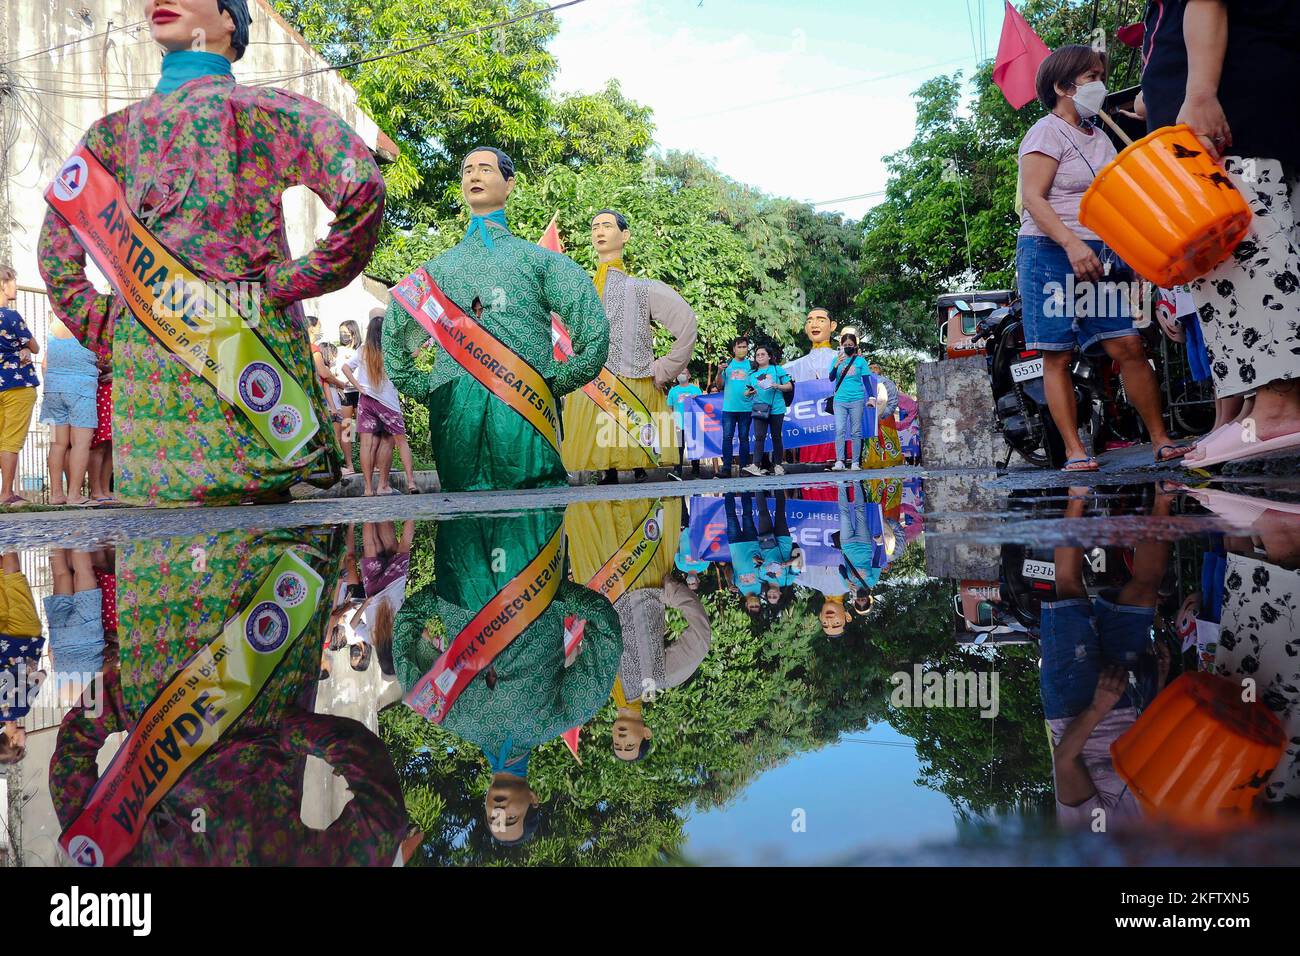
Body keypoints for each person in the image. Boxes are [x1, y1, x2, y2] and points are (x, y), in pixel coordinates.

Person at [38, 0, 384, 506]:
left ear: (230, 21)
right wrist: (281, 288)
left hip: (191, 374)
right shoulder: (116, 135)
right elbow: (57, 249)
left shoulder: (129, 132)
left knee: (185, 548)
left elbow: (362, 188)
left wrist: (117, 326)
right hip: (224, 364)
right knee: (259, 548)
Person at [390, 508, 621, 843]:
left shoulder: (450, 718)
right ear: (534, 801)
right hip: (529, 563)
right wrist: (555, 597)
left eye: (492, 818)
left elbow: (405, 640)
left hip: (463, 568)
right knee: (525, 474)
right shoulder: (563, 716)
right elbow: (607, 632)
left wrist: (443, 597)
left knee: (460, 476)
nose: (499, 811)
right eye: (510, 818)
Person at [384, 147, 608, 492]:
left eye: (486, 169)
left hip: (524, 407)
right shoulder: (436, 270)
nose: (474, 175)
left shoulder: (541, 262)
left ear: (510, 184)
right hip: (457, 412)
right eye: (468, 170)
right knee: (462, 523)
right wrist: (434, 391)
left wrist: (549, 381)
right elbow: (395, 341)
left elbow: (593, 333)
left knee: (532, 510)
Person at [1139, 0, 1300, 467]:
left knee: (1243, 253)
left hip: (1231, 122)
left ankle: (1277, 409)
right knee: (1267, 246)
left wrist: (1201, 92)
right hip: (1256, 107)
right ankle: (1255, 409)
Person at [1018, 44, 1191, 472]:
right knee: (1057, 354)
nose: (1100, 84)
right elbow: (1033, 200)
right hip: (1050, 252)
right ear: (1063, 86)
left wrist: (1128, 253)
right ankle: (1076, 452)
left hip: (1103, 254)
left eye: (1100, 75)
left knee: (1129, 344)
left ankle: (1161, 440)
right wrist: (1072, 245)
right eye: (1092, 76)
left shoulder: (1101, 136)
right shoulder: (1045, 131)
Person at [1041, 487, 1174, 825]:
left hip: (1074, 707)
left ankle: (1077, 497)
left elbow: (1065, 761)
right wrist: (1153, 690)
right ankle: (1163, 497)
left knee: (1070, 587)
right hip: (1130, 705)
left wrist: (1099, 706)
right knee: (1144, 592)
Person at [562, 210, 698, 484]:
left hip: (634, 376)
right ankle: (606, 469)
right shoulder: (585, 289)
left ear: (625, 235)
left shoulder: (640, 288)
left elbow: (686, 320)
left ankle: (638, 467)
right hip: (594, 382)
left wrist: (666, 367)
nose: (599, 231)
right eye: (595, 226)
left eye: (607, 225)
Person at [343, 311, 417, 496]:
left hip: (366, 401)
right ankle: (409, 483)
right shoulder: (392, 351)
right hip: (388, 403)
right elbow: (414, 354)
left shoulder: (362, 350)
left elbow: (345, 368)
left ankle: (368, 489)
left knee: (366, 445)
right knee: (398, 442)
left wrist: (359, 387)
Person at [40, 319, 100, 507]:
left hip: (52, 391)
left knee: (57, 444)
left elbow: (45, 363)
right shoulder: (89, 323)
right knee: (81, 443)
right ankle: (74, 495)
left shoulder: (54, 323)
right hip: (80, 389)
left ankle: (56, 495)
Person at [0, 552, 45, 764]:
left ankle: (9, 535)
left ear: (12, 742)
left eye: (22, 744)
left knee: (14, 580)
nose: (25, 740)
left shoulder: (21, 708)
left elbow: (39, 675)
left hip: (24, 638)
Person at [0, 266, 39, 507]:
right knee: (11, 440)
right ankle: (6, 493)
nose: (15, 285)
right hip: (18, 383)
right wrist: (23, 348)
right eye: (13, 281)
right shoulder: (11, 316)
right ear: (3, 284)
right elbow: (34, 347)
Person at [785, 307, 840, 466]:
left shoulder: (841, 358)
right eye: (810, 321)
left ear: (833, 325)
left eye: (820, 320)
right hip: (810, 423)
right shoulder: (795, 365)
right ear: (805, 328)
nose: (814, 324)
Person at [743, 344, 793, 476]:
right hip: (759, 407)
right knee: (759, 437)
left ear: (769, 356)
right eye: (757, 355)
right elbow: (746, 392)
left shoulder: (777, 369)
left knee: (776, 436)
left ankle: (778, 466)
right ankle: (755, 465)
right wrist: (749, 393)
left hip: (777, 407)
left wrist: (777, 386)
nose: (759, 357)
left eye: (762, 354)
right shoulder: (752, 374)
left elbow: (789, 386)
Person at [713, 336, 754, 478]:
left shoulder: (752, 365)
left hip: (746, 408)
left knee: (744, 438)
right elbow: (719, 386)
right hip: (729, 409)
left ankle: (744, 469)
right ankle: (726, 469)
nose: (742, 349)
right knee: (727, 438)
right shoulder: (727, 365)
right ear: (734, 349)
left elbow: (757, 384)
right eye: (739, 347)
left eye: (745, 347)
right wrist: (719, 371)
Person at [829, 329, 870, 471]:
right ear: (841, 345)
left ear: (855, 346)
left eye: (850, 344)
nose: (848, 346)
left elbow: (866, 380)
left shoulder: (861, 361)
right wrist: (836, 365)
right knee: (840, 429)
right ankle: (839, 461)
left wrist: (871, 397)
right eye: (845, 344)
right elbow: (831, 378)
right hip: (840, 400)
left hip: (857, 399)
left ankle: (855, 462)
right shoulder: (836, 360)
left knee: (856, 431)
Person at [757, 490, 803, 606]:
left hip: (766, 544)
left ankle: (757, 486)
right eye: (774, 596)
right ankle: (779, 483)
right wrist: (787, 564)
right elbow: (799, 561)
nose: (771, 594)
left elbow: (756, 559)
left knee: (763, 514)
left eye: (769, 596)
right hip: (783, 542)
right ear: (780, 594)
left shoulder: (762, 577)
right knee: (780, 513)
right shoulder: (788, 580)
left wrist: (757, 560)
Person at [88, 351, 115, 504]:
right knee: (99, 443)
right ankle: (96, 489)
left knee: (110, 443)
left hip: (113, 393)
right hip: (98, 392)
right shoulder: (92, 341)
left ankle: (105, 488)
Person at [335, 318, 362, 475]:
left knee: (365, 429)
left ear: (354, 332)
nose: (343, 335)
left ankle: (373, 464)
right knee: (347, 429)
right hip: (345, 393)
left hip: (360, 392)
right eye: (341, 333)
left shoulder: (362, 349)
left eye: (346, 332)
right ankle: (349, 465)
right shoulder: (338, 350)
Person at [667, 371, 703, 479]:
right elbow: (670, 408)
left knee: (694, 448)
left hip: (692, 423)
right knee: (679, 448)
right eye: (679, 372)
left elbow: (702, 405)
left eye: (684, 372)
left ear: (689, 375)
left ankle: (696, 471)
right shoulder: (673, 391)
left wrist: (698, 399)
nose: (681, 374)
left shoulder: (696, 390)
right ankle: (677, 471)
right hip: (678, 424)